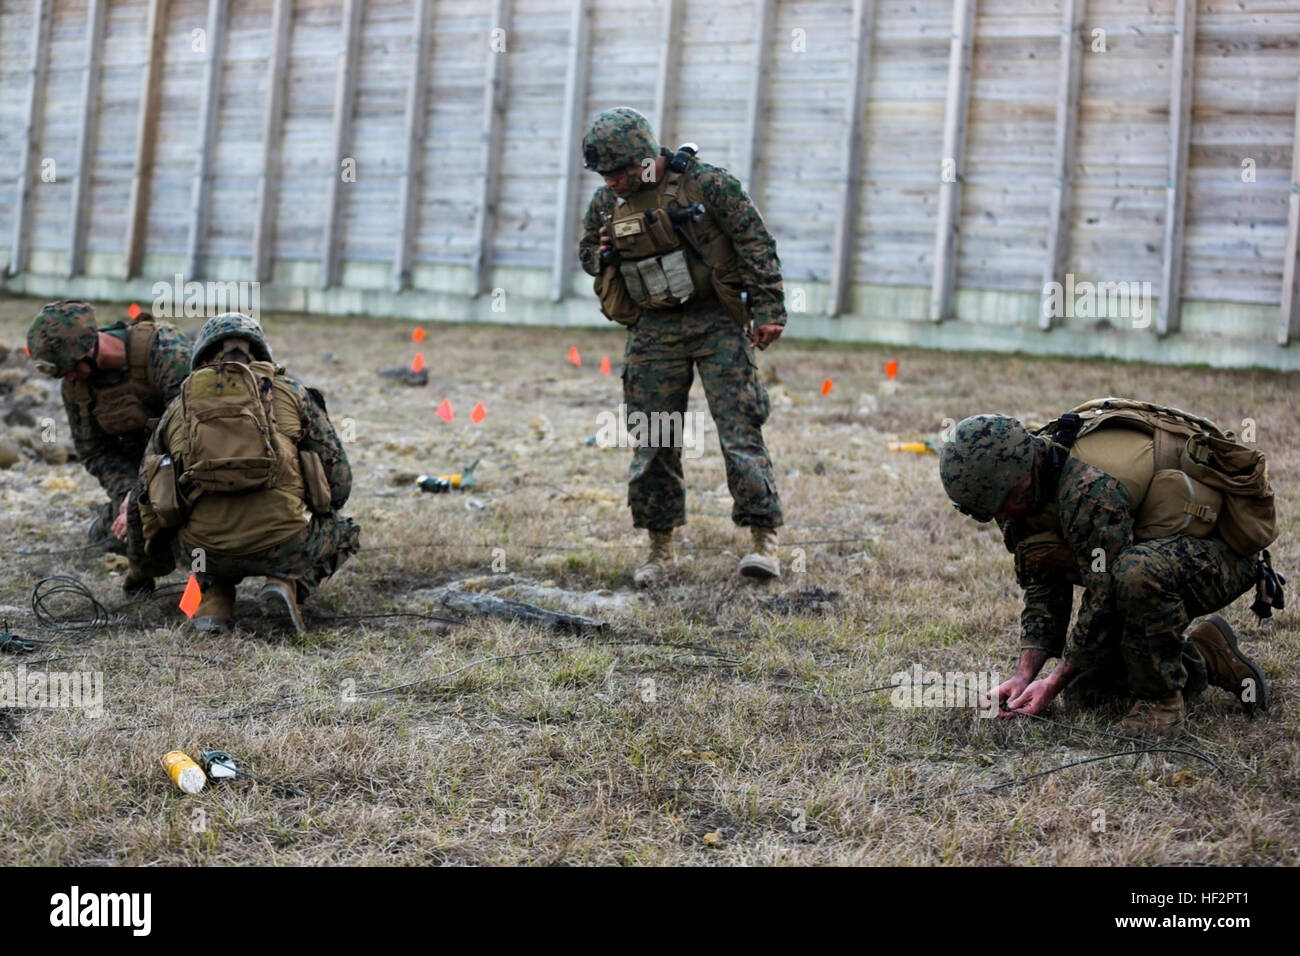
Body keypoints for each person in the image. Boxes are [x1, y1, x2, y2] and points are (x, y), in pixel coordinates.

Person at [939, 402, 1278, 738]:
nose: (1000, 517)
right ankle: (1206, 654)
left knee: (1136, 572)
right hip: (1152, 555)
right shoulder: (1020, 490)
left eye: (1001, 506)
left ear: (1022, 482)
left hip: (1221, 553)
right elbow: (1043, 581)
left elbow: (1105, 593)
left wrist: (1055, 679)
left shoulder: (1089, 488)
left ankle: (1160, 705)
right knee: (1090, 692)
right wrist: (1025, 676)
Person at [577, 106, 786, 585]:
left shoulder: (708, 184)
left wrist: (769, 311)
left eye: (620, 173)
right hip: (653, 328)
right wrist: (602, 250)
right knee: (655, 438)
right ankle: (660, 549)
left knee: (740, 434)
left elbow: (755, 241)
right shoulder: (606, 204)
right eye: (604, 174)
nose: (611, 182)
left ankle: (763, 544)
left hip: (716, 321)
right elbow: (588, 254)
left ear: (645, 160)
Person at [133, 312, 359, 634]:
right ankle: (287, 583)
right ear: (260, 352)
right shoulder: (293, 393)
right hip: (285, 544)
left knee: (201, 540)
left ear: (203, 356)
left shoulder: (177, 405)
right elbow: (339, 484)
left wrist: (141, 570)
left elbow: (145, 490)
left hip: (201, 552)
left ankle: (213, 601)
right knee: (347, 533)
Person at [26, 300, 191, 589]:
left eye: (72, 368)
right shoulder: (76, 388)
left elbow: (189, 432)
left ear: (89, 347)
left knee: (198, 541)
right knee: (114, 537)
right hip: (137, 485)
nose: (71, 378)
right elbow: (94, 452)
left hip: (185, 471)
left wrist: (142, 487)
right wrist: (127, 493)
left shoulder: (165, 350)